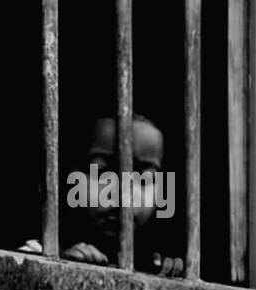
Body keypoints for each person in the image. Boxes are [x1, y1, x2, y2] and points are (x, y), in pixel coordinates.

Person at [19, 113, 185, 277]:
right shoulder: (32, 256)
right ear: (58, 177)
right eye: (101, 171)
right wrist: (62, 273)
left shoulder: (158, 265)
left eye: (146, 177)